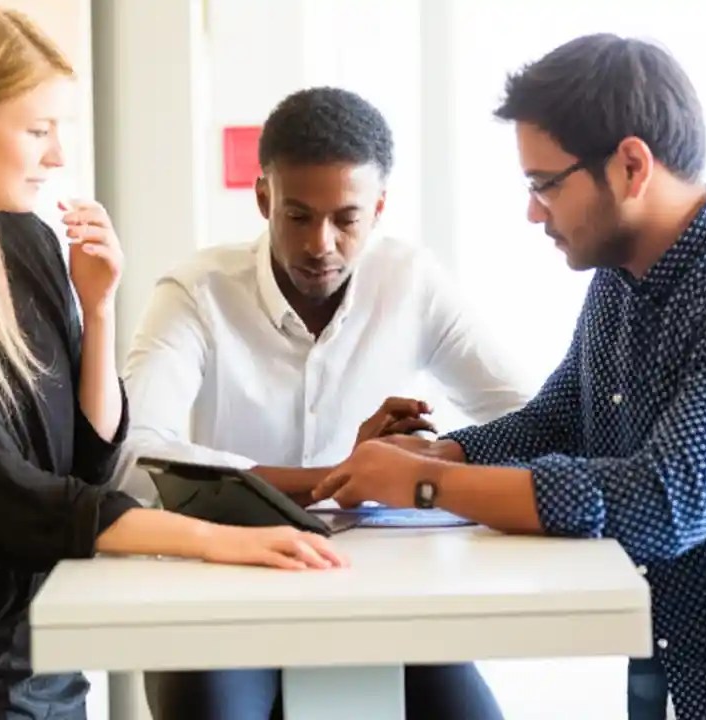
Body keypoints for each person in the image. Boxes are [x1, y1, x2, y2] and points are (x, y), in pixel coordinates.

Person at [313, 34, 706, 720]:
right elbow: (559, 418)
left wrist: (425, 484)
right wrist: (442, 452)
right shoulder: (623, 282)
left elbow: (663, 502)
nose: (533, 211)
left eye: (544, 184)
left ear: (629, 165)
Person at [0, 5, 344, 719]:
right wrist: (212, 539)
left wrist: (98, 311)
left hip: (48, 659)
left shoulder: (30, 246)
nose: (58, 157)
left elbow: (89, 462)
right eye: (38, 130)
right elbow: (5, 501)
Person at [122, 87, 522, 719]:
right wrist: (342, 478)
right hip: (222, 587)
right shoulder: (196, 293)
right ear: (264, 199)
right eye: (298, 216)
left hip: (377, 590)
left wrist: (427, 463)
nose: (321, 244)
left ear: (379, 208)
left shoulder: (412, 283)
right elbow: (135, 455)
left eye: (346, 219)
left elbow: (526, 418)